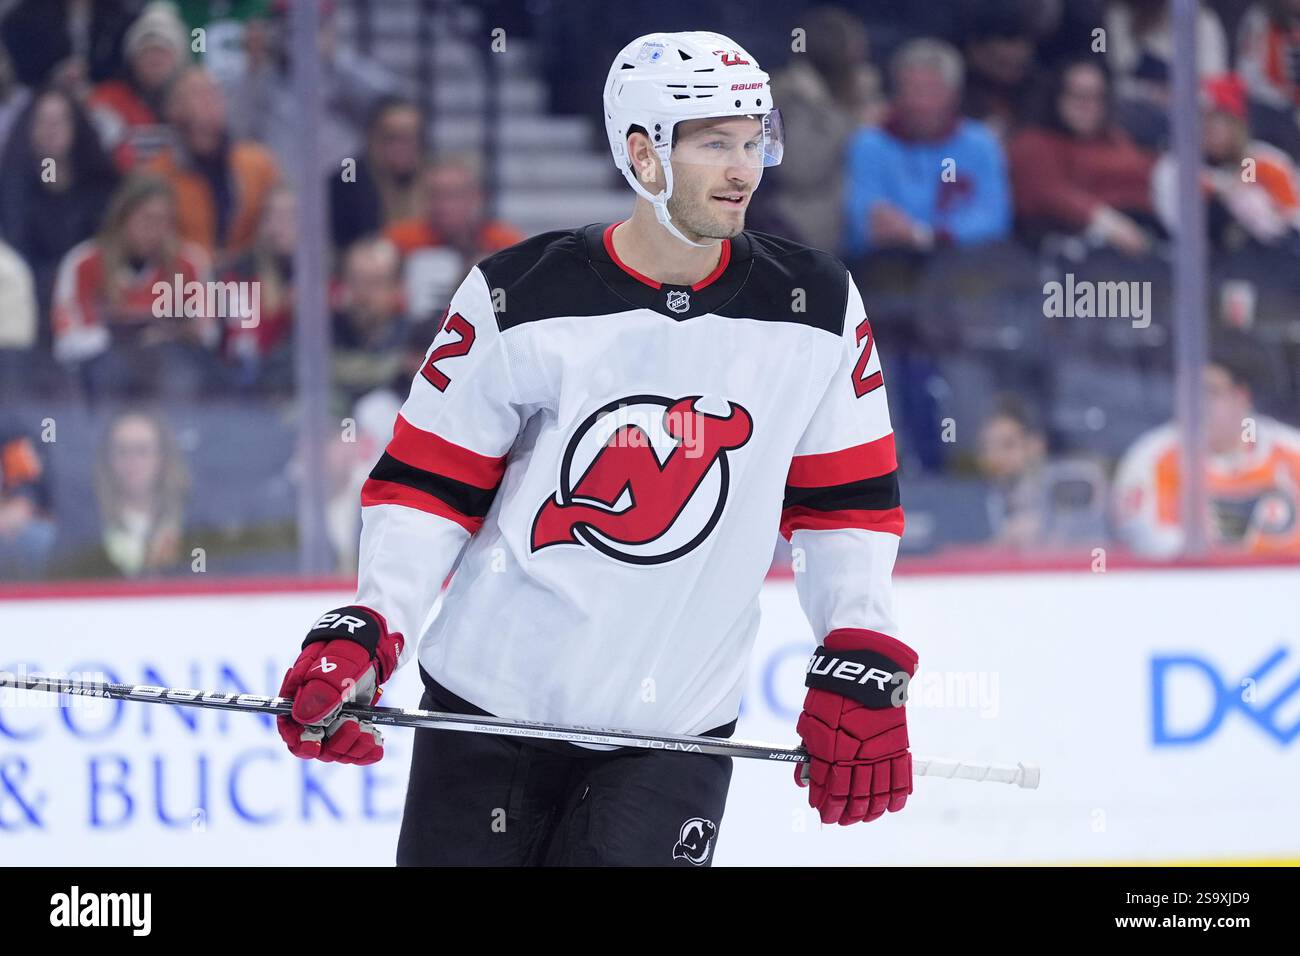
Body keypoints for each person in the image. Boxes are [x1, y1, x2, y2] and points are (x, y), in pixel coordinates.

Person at [276, 32, 915, 866]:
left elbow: (847, 504)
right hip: (487, 712)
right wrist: (371, 621)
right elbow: (429, 484)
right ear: (642, 152)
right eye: (714, 143)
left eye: (754, 139)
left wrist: (859, 645)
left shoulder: (816, 304)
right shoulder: (519, 293)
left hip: (674, 736)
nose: (744, 169)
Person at [1113, 355, 1300, 557]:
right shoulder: (1151, 457)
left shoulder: (1292, 450)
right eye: (1190, 393)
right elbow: (1144, 540)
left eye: (1211, 393)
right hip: (1189, 585)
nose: (1199, 404)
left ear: (1241, 397)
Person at [50, 175, 216, 399]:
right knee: (110, 373)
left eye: (164, 221)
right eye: (147, 219)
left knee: (184, 375)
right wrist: (127, 337)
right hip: (103, 365)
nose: (155, 230)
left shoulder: (189, 263)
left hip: (170, 360)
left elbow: (208, 332)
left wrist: (174, 333)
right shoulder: (83, 262)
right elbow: (68, 337)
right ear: (123, 218)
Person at [842, 38, 1011, 257]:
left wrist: (927, 236)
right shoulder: (868, 144)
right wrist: (880, 222)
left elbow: (994, 216)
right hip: (885, 265)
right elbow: (861, 214)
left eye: (931, 91)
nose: (919, 102)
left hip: (965, 267)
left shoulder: (981, 144)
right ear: (896, 94)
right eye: (911, 89)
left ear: (954, 95)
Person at [1008, 57, 1157, 254]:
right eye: (1079, 96)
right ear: (1057, 96)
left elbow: (1148, 174)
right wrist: (1106, 222)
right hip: (1067, 251)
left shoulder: (1115, 139)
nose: (1089, 107)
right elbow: (1051, 193)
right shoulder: (1033, 143)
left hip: (1141, 239)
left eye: (1098, 97)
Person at [1151, 74, 1300, 250]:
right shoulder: (1175, 167)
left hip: (1271, 256)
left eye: (1222, 123)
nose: (1214, 132)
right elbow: (1178, 224)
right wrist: (1220, 190)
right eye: (1205, 122)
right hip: (1208, 258)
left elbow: (1292, 214)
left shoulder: (1256, 159)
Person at [147, 67, 281, 262]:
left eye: (213, 92)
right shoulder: (156, 175)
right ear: (172, 108)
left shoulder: (259, 164)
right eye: (196, 94)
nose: (209, 100)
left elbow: (284, 227)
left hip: (248, 279)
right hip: (181, 281)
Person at [87, 1, 189, 172]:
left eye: (162, 52)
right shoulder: (108, 99)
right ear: (133, 60)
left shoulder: (191, 101)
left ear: (177, 61)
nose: (155, 60)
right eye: (147, 52)